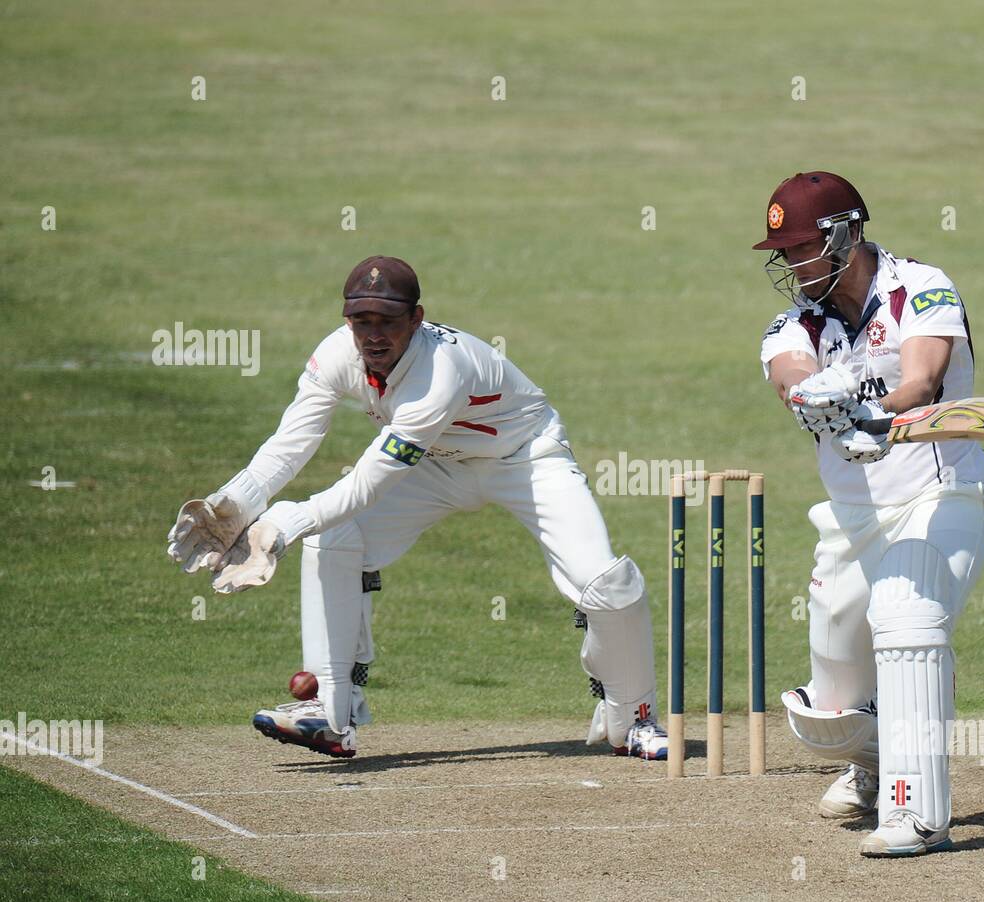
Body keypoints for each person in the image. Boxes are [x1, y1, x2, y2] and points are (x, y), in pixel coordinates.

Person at [166, 256, 665, 762]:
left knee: (606, 584)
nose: (373, 335)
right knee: (335, 537)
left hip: (526, 458)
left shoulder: (438, 374)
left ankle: (636, 717)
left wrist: (283, 522)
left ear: (417, 318)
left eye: (388, 322)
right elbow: (291, 443)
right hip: (438, 463)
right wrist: (236, 503)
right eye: (362, 321)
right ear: (347, 321)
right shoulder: (336, 355)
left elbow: (368, 484)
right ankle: (330, 712)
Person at [754, 173, 984, 856]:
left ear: (847, 234)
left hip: (942, 493)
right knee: (823, 716)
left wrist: (877, 411)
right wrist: (818, 396)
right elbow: (791, 377)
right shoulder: (791, 325)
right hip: (851, 519)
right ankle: (870, 758)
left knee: (905, 614)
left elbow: (923, 379)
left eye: (804, 246)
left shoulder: (920, 287)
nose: (794, 264)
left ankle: (917, 813)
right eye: (786, 251)